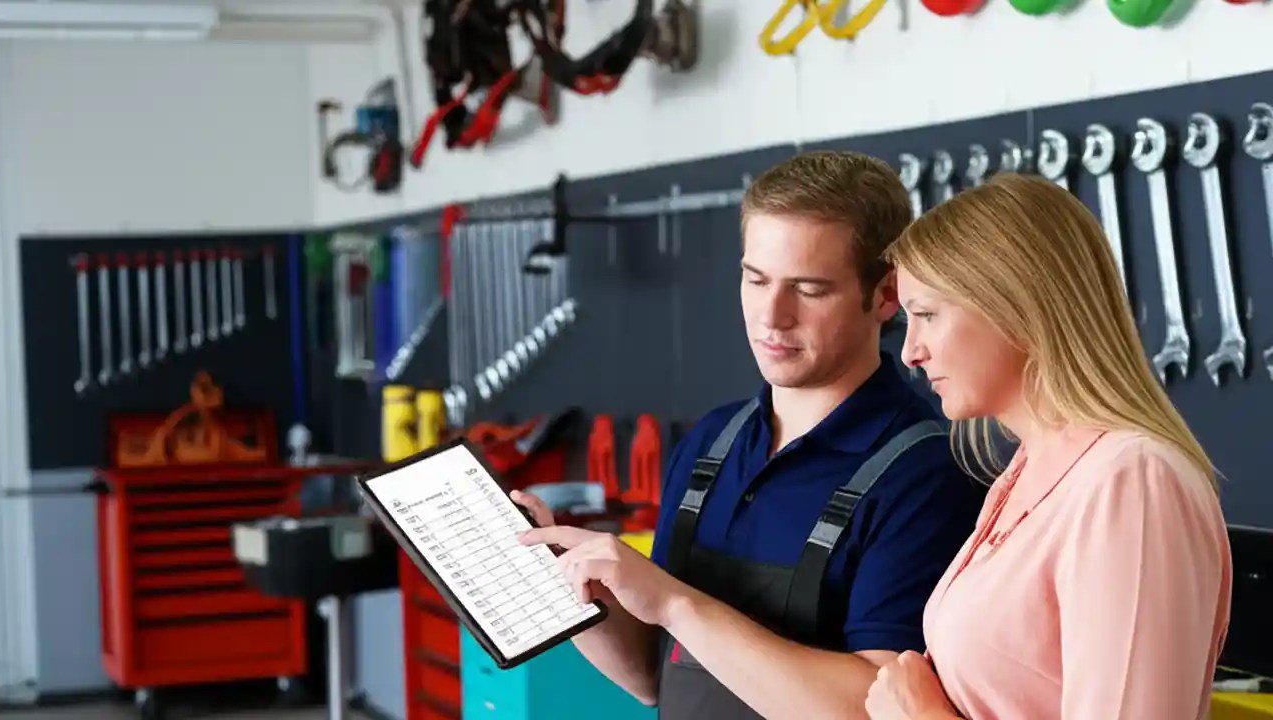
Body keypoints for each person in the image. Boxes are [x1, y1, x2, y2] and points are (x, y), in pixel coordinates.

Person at [515, 150, 986, 719]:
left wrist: (675, 602)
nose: (772, 315)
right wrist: (560, 581)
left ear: (886, 295)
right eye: (755, 279)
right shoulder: (711, 444)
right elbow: (650, 676)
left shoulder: (928, 474)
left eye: (808, 290)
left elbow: (875, 709)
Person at [863, 173, 1232, 720]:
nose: (911, 352)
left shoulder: (1131, 483)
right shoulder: (1027, 470)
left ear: (1016, 305)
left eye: (928, 315)